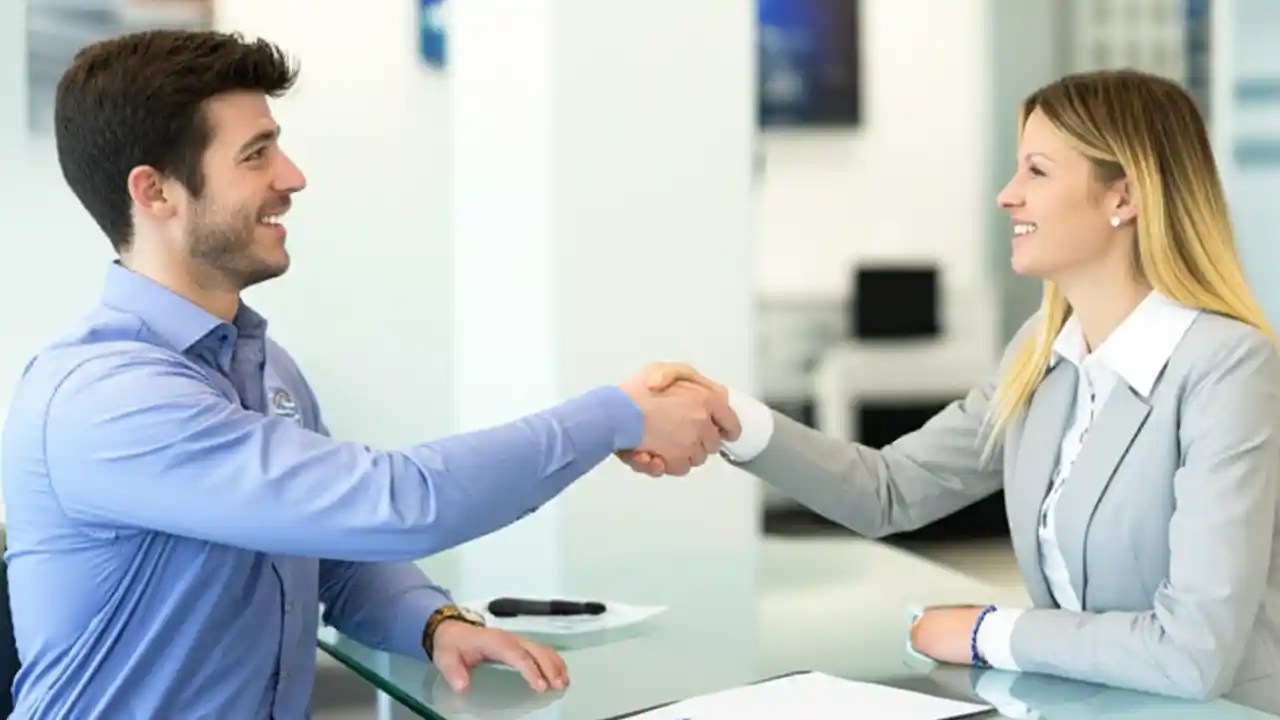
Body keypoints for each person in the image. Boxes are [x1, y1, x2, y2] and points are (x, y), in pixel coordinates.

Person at [0, 30, 739, 719]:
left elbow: (340, 557)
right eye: (255, 155)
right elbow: (394, 503)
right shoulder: (104, 399)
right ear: (155, 192)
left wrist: (434, 623)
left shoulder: (264, 365)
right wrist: (615, 414)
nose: (292, 178)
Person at [626, 70, 1280, 713]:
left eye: (1037, 171)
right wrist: (731, 417)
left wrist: (986, 631)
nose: (1007, 195)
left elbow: (1193, 650)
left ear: (1124, 198)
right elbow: (891, 488)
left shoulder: (1227, 368)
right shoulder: (1043, 350)